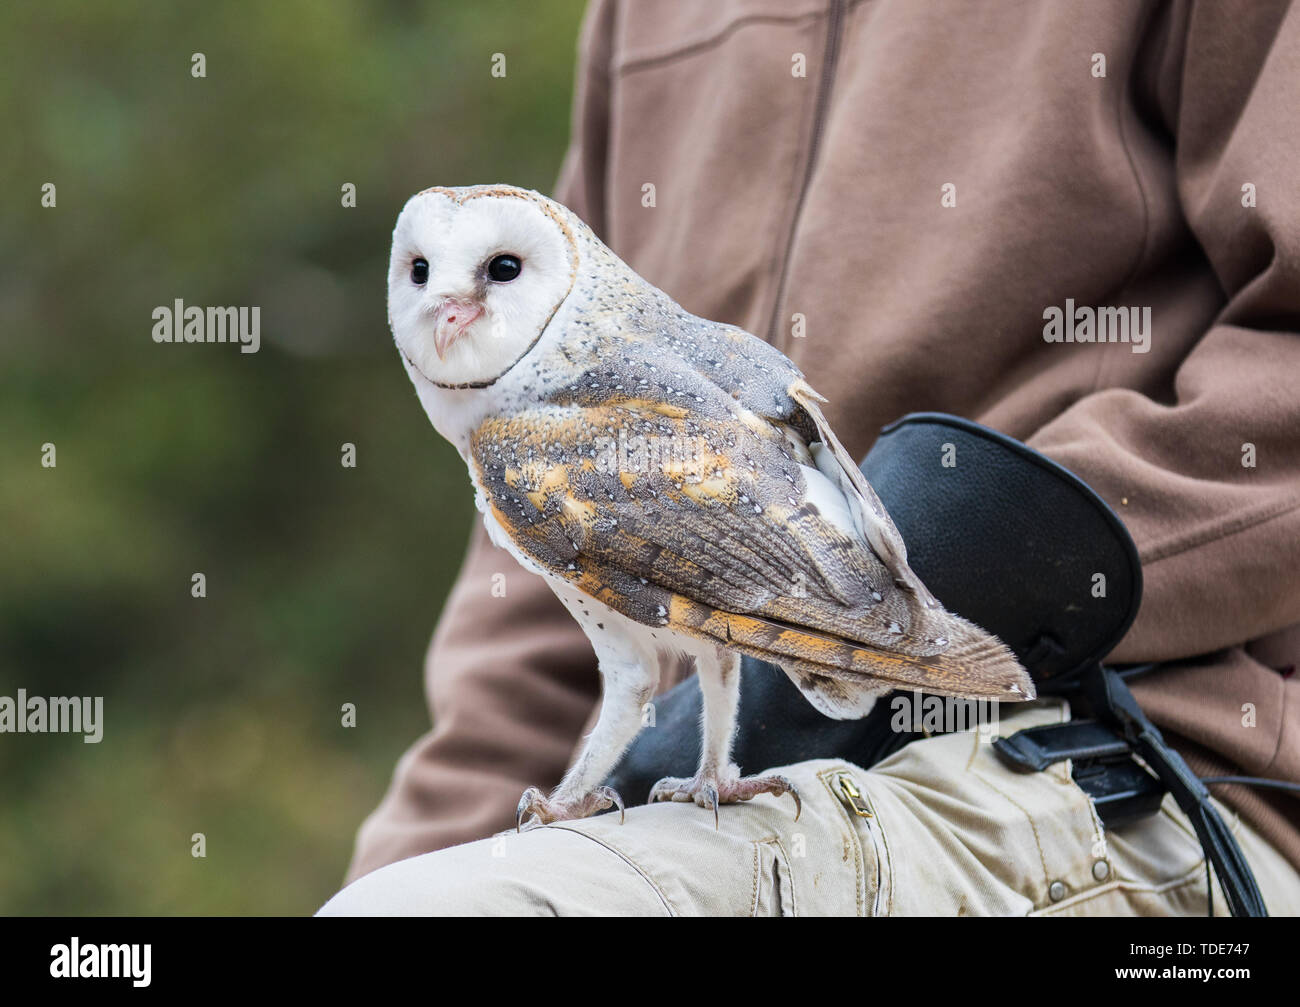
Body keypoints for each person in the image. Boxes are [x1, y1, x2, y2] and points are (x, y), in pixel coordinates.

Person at [320, 0, 1300, 915]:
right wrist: (407, 871)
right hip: (718, 790)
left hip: (1116, 765)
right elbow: (539, 601)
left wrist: (918, 589)